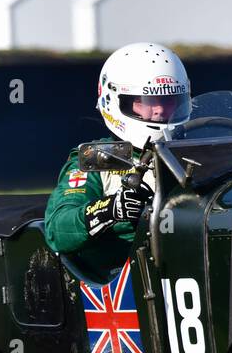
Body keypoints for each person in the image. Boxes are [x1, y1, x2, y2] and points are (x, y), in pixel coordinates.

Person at [43, 42, 192, 256]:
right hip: (129, 273)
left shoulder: (200, 148)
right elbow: (57, 230)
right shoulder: (96, 158)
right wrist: (109, 209)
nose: (160, 110)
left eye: (169, 100)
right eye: (147, 100)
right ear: (114, 101)